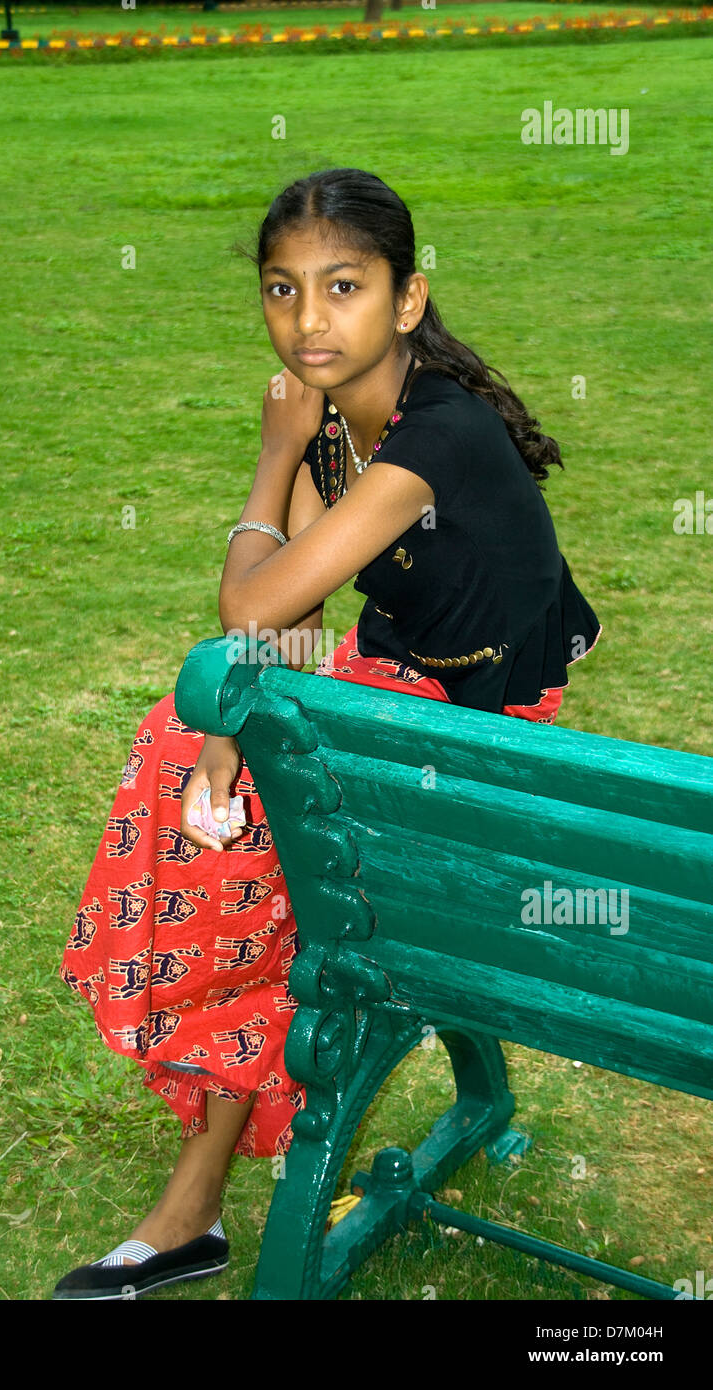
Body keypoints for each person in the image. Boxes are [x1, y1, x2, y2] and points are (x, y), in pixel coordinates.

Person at [52, 166, 602, 1300]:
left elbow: (253, 602)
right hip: (403, 702)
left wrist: (272, 449)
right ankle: (195, 1191)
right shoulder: (355, 418)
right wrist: (230, 736)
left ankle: (192, 1185)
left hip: (472, 760)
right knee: (191, 751)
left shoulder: (428, 442)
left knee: (243, 856)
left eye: (342, 287)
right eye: (281, 289)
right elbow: (292, 621)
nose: (308, 320)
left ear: (405, 301)